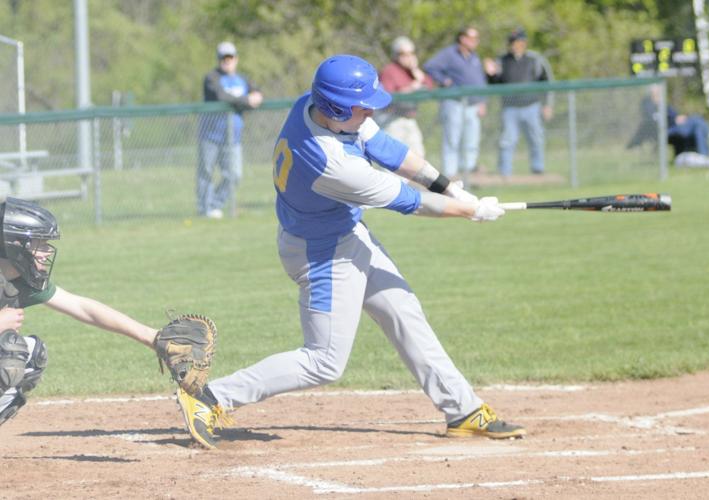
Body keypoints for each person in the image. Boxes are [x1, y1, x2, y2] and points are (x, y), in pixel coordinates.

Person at [175, 54, 524, 450]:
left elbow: (387, 148)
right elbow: (412, 203)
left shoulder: (311, 105)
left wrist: (448, 186)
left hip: (346, 233)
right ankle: (209, 397)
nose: (371, 110)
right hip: (322, 255)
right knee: (323, 360)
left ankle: (462, 409)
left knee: (405, 313)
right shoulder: (332, 165)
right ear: (337, 108)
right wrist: (473, 209)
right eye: (363, 106)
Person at [0, 197, 159, 427]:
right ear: (15, 244)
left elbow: (82, 307)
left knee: (31, 357)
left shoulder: (19, 281)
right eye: (39, 244)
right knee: (10, 350)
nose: (47, 252)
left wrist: (150, 336)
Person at [197, 41, 263, 219]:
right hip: (210, 135)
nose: (227, 61)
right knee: (206, 172)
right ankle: (205, 210)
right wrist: (246, 100)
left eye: (230, 57)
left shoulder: (243, 79)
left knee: (234, 174)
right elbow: (221, 96)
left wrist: (256, 95)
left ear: (236, 59)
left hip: (233, 136)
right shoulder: (211, 78)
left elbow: (256, 92)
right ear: (218, 59)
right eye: (223, 57)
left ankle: (215, 205)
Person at [483, 26, 554, 176]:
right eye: (512, 41)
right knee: (507, 140)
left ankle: (538, 169)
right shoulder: (502, 60)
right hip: (510, 108)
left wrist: (548, 105)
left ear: (524, 42)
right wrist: (490, 74)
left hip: (532, 106)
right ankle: (504, 172)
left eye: (518, 41)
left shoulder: (535, 59)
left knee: (536, 138)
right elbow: (494, 84)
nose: (515, 44)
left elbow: (547, 82)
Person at [423, 27, 488, 178]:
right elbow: (430, 66)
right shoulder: (449, 54)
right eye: (472, 38)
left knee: (472, 139)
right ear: (462, 38)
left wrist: (482, 101)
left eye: (476, 38)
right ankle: (450, 174)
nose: (475, 42)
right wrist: (445, 80)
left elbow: (479, 80)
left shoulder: (474, 57)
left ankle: (468, 172)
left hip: (473, 104)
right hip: (454, 103)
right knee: (452, 139)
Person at [627, 84, 709, 156]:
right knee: (696, 121)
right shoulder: (648, 105)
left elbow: (674, 115)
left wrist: (678, 118)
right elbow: (653, 121)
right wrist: (674, 120)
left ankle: (705, 157)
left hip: (675, 127)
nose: (659, 94)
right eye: (656, 92)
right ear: (651, 93)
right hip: (666, 131)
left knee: (697, 124)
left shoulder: (663, 105)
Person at [378, 36, 435, 158]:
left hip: (409, 118)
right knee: (391, 159)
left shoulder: (412, 72)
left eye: (411, 53)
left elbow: (429, 86)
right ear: (395, 55)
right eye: (403, 54)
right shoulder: (389, 71)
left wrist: (415, 70)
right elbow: (388, 96)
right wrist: (412, 88)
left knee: (418, 156)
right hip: (392, 119)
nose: (407, 57)